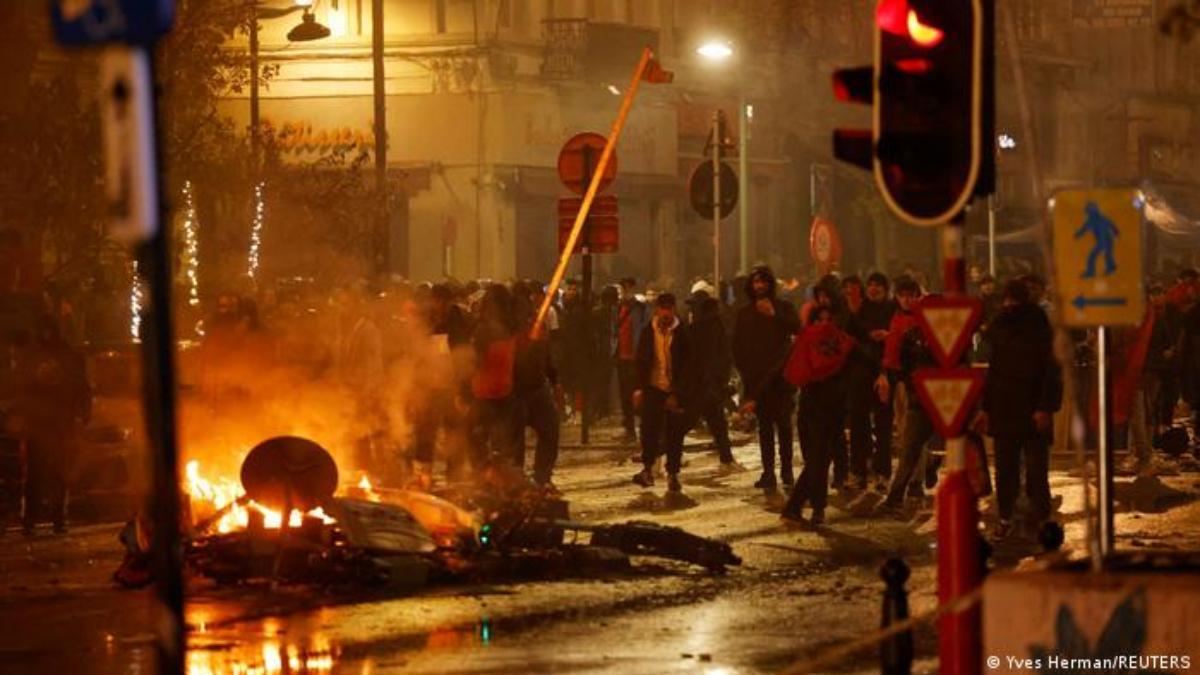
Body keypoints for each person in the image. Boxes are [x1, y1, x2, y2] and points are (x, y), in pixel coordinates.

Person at [976, 280, 1062, 537]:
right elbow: (995, 372)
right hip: (1017, 408)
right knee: (1020, 470)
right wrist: (986, 408)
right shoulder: (1023, 327)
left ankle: (1021, 518)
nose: (1009, 306)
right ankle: (1020, 518)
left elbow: (1049, 372)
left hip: (1019, 408)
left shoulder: (1023, 327)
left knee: (1021, 469)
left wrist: (1045, 407)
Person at [10, 316, 90, 535]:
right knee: (35, 475)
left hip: (59, 424)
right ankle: (31, 520)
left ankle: (56, 518)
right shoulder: (32, 357)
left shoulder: (67, 356)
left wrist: (80, 416)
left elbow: (81, 388)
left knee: (59, 474)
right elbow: (20, 389)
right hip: (39, 425)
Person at [782, 306, 856, 525]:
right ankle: (804, 507)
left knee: (820, 459)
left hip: (834, 408)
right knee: (817, 460)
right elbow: (788, 369)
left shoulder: (843, 345)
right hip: (812, 408)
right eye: (818, 320)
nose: (824, 325)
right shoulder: (805, 343)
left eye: (828, 319)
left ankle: (809, 508)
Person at [734, 265, 802, 489]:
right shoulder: (744, 313)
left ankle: (787, 471)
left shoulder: (783, 307)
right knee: (764, 428)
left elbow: (797, 328)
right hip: (756, 380)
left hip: (781, 379)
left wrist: (774, 315)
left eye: (764, 281)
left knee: (783, 427)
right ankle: (768, 473)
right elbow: (738, 345)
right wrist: (745, 374)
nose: (760, 286)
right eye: (756, 282)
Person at [875, 278, 938, 516]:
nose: (907, 299)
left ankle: (910, 487)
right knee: (910, 440)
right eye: (902, 295)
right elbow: (893, 353)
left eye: (911, 295)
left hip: (921, 389)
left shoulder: (923, 324)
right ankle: (923, 471)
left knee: (911, 441)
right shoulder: (898, 317)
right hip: (903, 384)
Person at [632, 294, 691, 493]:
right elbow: (640, 361)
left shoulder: (682, 332)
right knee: (649, 430)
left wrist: (678, 393)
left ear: (674, 310)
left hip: (674, 390)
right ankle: (647, 469)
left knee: (675, 434)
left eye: (669, 309)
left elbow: (688, 366)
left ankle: (673, 473)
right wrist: (639, 388)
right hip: (653, 388)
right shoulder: (649, 331)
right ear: (657, 310)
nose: (666, 313)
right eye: (662, 309)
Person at [845, 273, 897, 490]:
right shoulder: (859, 310)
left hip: (884, 373)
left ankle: (882, 472)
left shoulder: (892, 310)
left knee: (883, 426)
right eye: (871, 285)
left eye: (878, 285)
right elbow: (850, 335)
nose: (874, 289)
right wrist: (868, 334)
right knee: (859, 425)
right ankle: (858, 470)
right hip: (860, 374)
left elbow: (900, 337)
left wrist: (889, 335)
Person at [511, 282, 561, 490]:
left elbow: (545, 353)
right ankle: (516, 480)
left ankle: (542, 476)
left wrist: (554, 379)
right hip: (515, 388)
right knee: (515, 439)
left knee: (549, 429)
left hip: (537, 385)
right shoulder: (506, 325)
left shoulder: (537, 321)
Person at [682, 289, 736, 466]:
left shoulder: (699, 329)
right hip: (710, 384)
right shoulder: (716, 326)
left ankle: (658, 457)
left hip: (702, 386)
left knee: (683, 424)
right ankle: (726, 456)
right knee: (717, 422)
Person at [612, 277, 648, 444]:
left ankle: (642, 426)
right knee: (625, 394)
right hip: (622, 357)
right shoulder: (618, 308)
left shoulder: (639, 308)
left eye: (628, 288)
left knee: (637, 393)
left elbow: (641, 330)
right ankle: (629, 428)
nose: (626, 292)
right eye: (623, 288)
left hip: (635, 357)